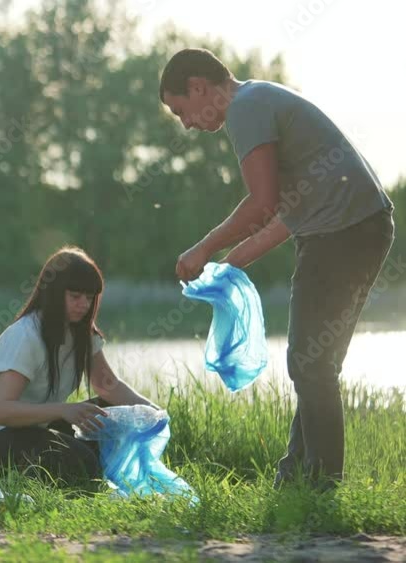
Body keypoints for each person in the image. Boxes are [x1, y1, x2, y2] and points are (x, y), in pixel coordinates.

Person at [159, 48, 395, 489]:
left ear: (198, 87)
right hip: (358, 227)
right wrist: (228, 264)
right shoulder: (260, 100)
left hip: (342, 233)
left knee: (311, 362)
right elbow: (286, 214)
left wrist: (201, 249)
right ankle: (296, 481)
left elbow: (261, 204)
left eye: (180, 111)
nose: (186, 123)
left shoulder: (246, 108)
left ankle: (321, 485)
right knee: (313, 361)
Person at [0, 247, 156, 486]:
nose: (83, 304)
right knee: (82, 464)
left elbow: (107, 386)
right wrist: (63, 410)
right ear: (54, 293)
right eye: (75, 296)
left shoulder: (83, 333)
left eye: (89, 298)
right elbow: (1, 412)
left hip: (35, 426)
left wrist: (153, 412)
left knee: (113, 415)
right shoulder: (25, 336)